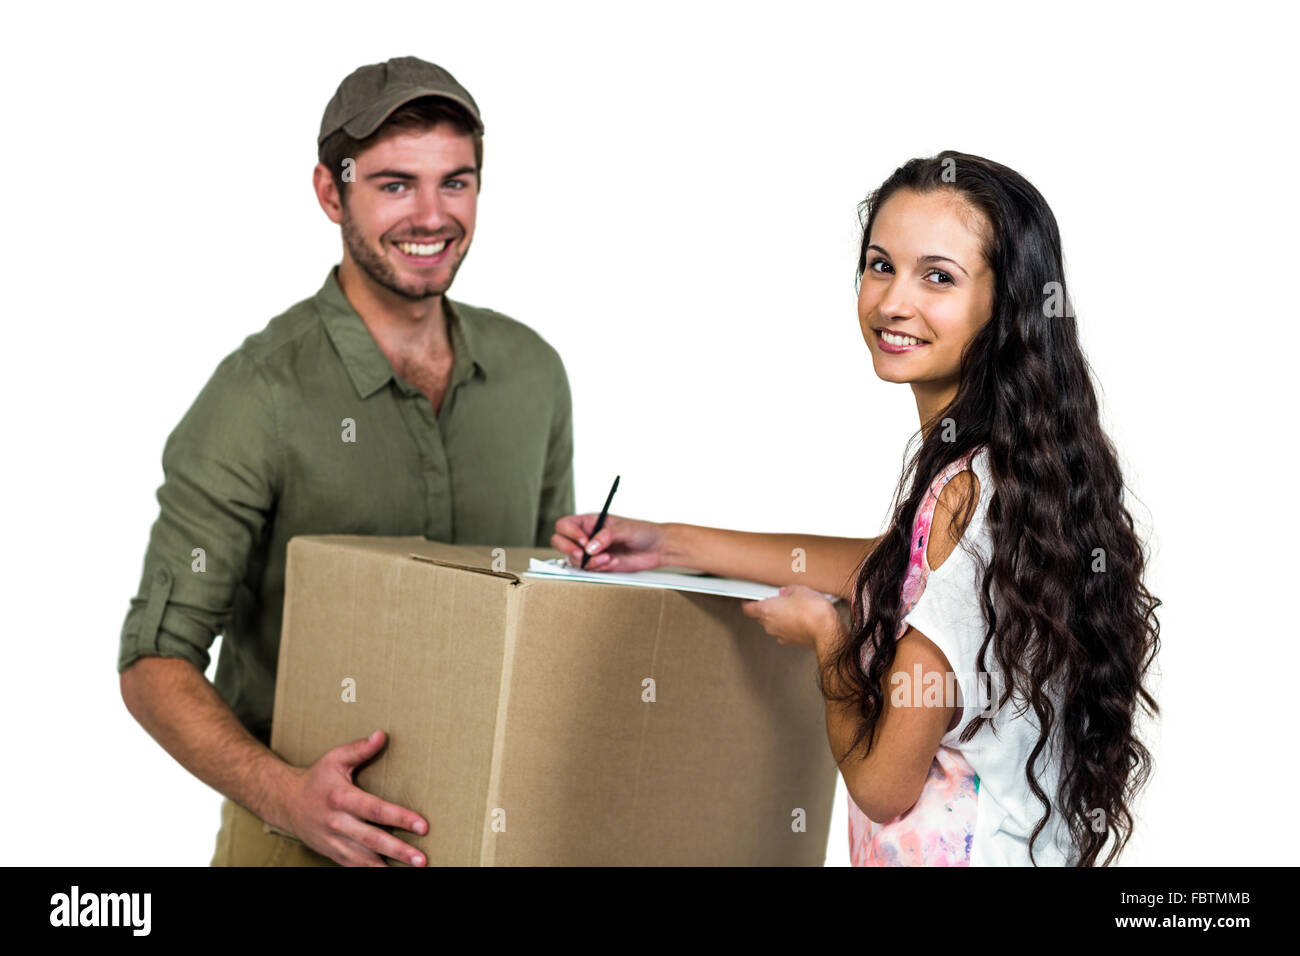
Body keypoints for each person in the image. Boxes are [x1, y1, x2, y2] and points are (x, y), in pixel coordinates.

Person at [553, 151, 1161, 866]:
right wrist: (666, 544)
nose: (893, 302)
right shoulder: (1009, 474)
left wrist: (828, 640)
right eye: (881, 265)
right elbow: (895, 568)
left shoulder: (970, 492)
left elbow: (883, 784)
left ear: (1008, 302)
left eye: (938, 276)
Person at [117, 56, 575, 867]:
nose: (432, 216)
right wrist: (284, 795)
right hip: (293, 846)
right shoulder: (257, 395)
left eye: (456, 182)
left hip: (489, 837)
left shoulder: (532, 374)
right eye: (395, 185)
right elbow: (153, 662)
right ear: (333, 193)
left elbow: (549, 610)